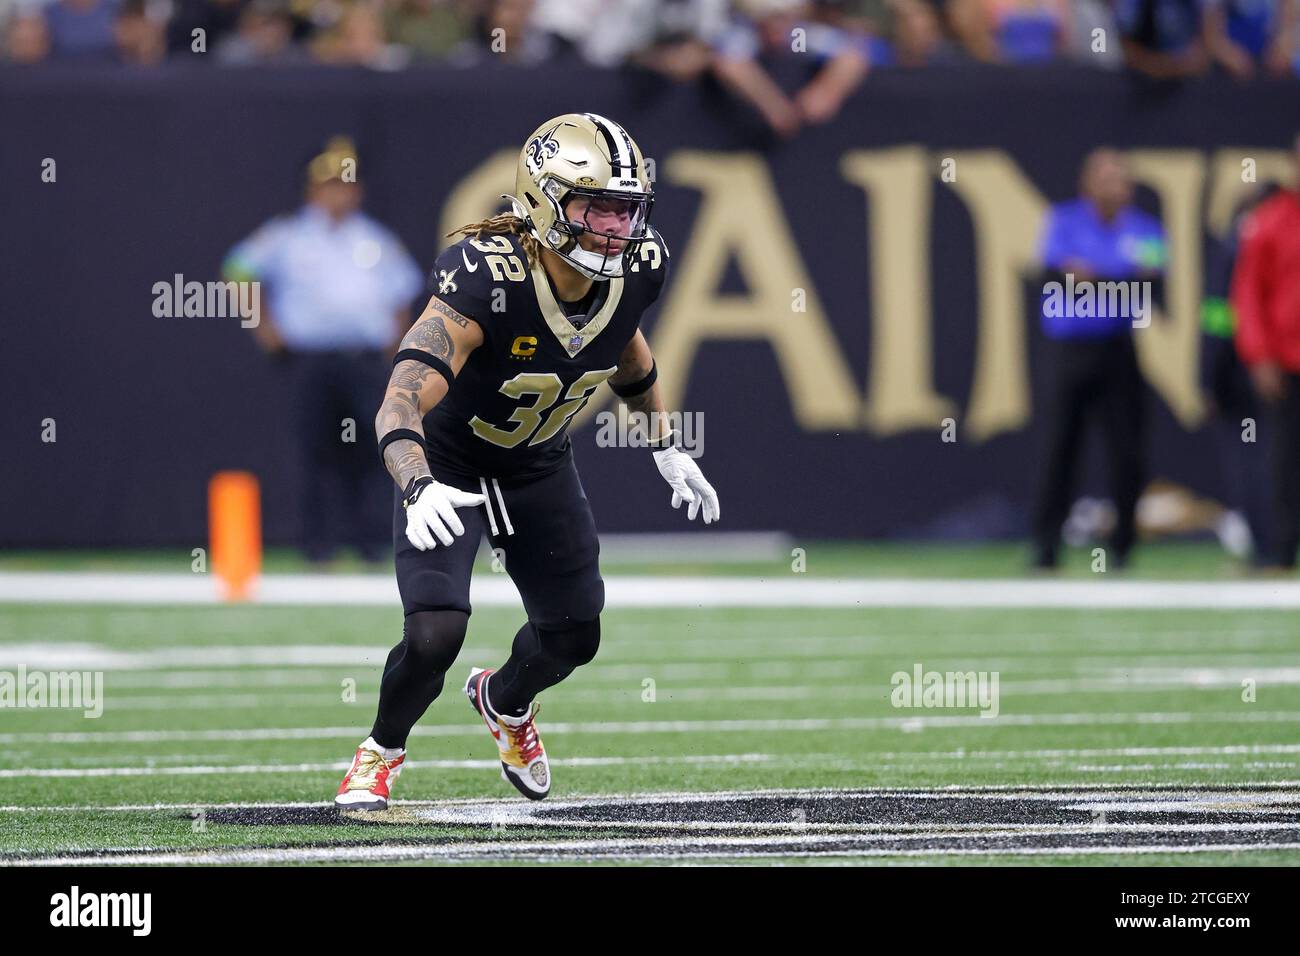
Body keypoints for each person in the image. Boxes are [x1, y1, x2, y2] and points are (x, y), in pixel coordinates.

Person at [335, 113, 720, 808]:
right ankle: (381, 750)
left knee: (575, 637)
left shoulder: (641, 264)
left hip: (537, 462)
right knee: (434, 632)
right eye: (594, 208)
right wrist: (417, 484)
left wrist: (664, 440)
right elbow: (398, 400)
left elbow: (626, 346)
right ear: (544, 201)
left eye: (624, 211)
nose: (613, 229)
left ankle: (505, 702)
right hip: (448, 462)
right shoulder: (487, 277)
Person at [223, 136, 422, 563]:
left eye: (346, 184)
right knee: (315, 450)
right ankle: (317, 546)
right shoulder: (288, 236)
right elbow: (238, 269)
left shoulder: (375, 239)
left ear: (358, 190)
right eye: (330, 184)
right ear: (313, 190)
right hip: (312, 361)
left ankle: (373, 543)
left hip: (365, 361)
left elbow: (403, 289)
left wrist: (397, 341)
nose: (339, 193)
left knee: (376, 448)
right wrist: (263, 326)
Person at [1030, 148, 1167, 570]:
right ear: (1087, 183)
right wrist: (1115, 282)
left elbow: (1149, 289)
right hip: (1071, 352)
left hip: (1117, 350)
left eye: (1121, 179)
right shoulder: (1064, 221)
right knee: (1060, 450)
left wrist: (1093, 280)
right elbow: (1054, 279)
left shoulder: (1145, 230)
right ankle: (1046, 548)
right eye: (1106, 178)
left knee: (1127, 451)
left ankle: (1123, 547)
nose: (1115, 186)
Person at [1231, 132, 1300, 569]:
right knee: (1284, 460)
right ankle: (1280, 551)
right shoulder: (1269, 220)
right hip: (1287, 358)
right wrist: (1259, 356)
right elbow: (1248, 295)